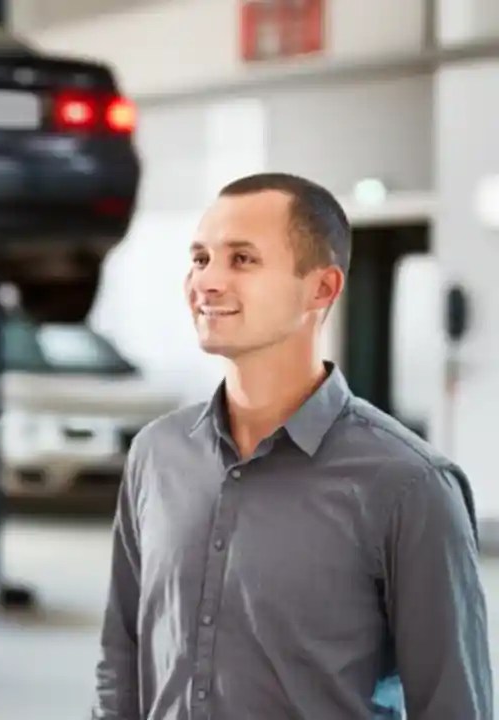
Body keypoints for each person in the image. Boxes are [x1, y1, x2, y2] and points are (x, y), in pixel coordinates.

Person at [92, 172, 493, 719]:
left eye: (242, 260)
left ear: (321, 288)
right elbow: (123, 657)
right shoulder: (157, 455)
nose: (206, 281)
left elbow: (453, 706)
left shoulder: (409, 486)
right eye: (201, 258)